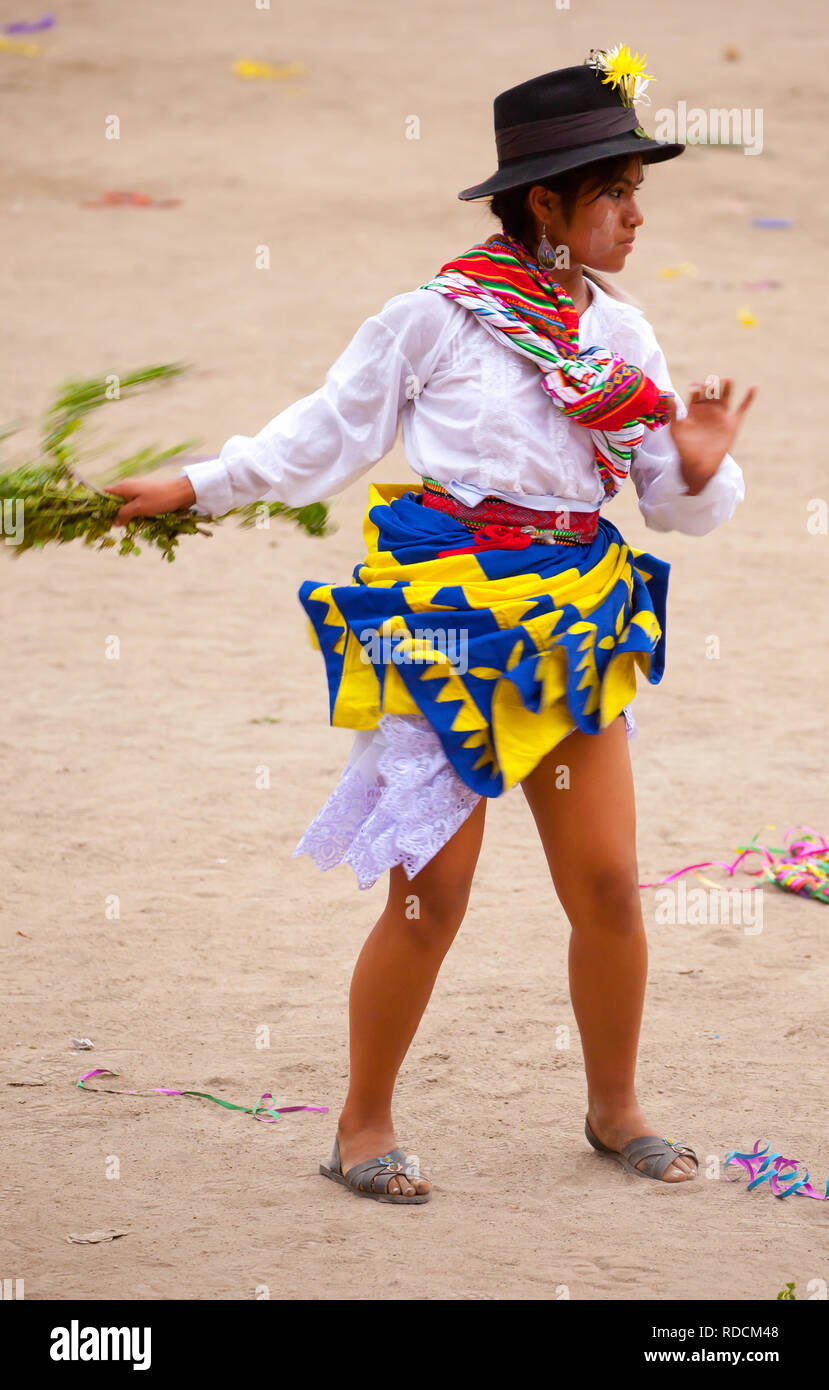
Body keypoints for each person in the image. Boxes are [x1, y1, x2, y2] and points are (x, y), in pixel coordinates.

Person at [107, 51, 755, 1204]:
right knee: (429, 898)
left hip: (574, 626)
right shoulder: (434, 319)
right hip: (448, 629)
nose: (636, 216)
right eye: (613, 193)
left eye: (635, 191)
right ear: (543, 204)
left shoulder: (624, 340)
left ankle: (615, 1108)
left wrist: (700, 468)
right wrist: (198, 484)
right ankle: (361, 1124)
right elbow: (323, 435)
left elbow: (666, 500)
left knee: (607, 885)